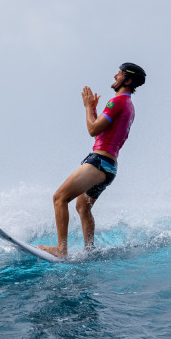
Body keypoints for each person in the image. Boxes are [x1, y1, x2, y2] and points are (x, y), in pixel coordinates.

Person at [38, 62, 145, 258]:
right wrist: (95, 112)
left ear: (127, 80)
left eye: (119, 74)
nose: (115, 76)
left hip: (98, 162)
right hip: (110, 167)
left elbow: (92, 130)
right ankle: (90, 251)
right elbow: (103, 131)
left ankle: (61, 250)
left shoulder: (117, 102)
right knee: (82, 207)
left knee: (59, 198)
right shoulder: (129, 105)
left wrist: (87, 107)